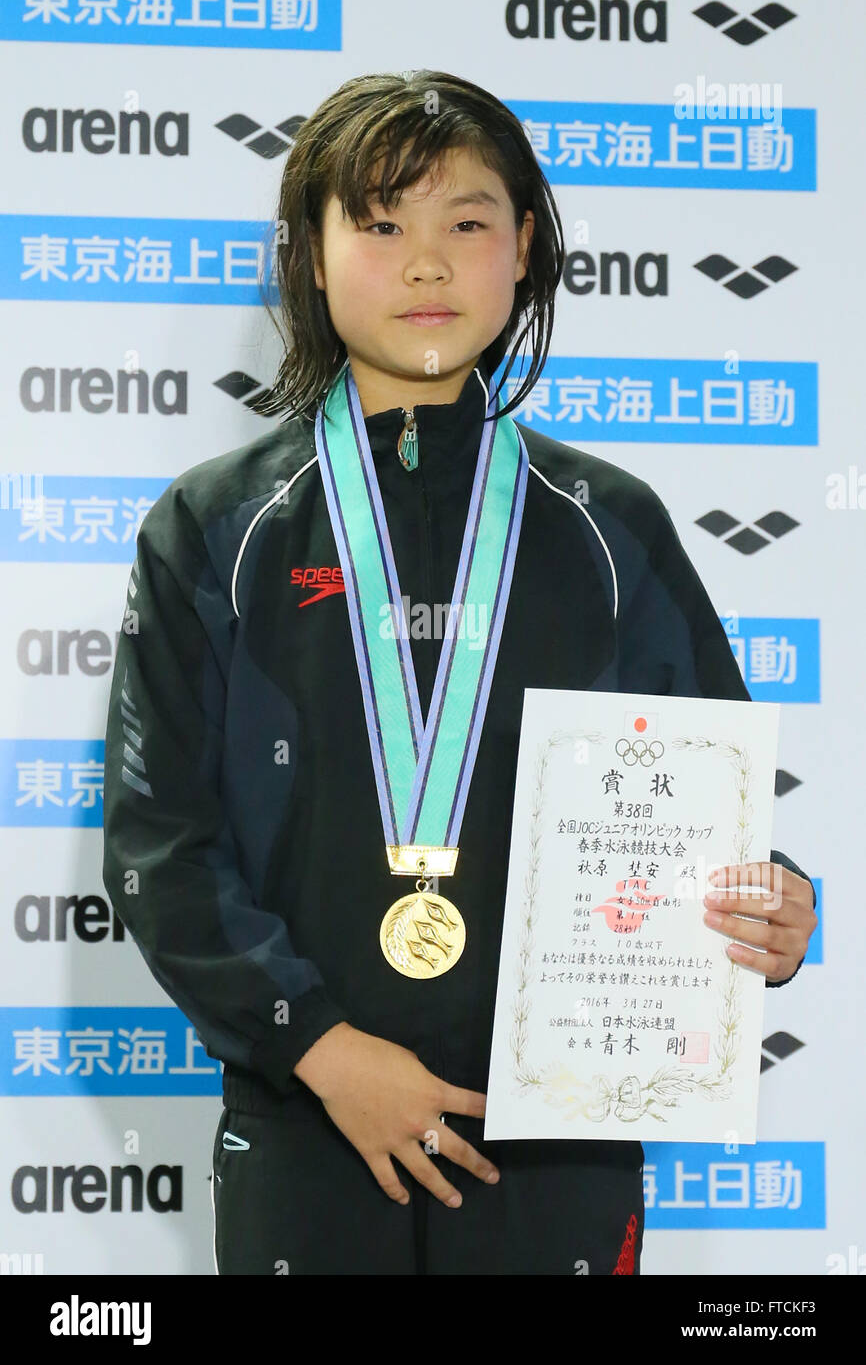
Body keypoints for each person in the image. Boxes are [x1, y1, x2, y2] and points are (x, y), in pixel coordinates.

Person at [101, 70, 817, 1276]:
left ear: (524, 247)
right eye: (379, 224)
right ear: (312, 254)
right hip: (308, 1124)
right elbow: (159, 843)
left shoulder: (608, 525)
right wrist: (325, 1050)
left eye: (466, 223)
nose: (425, 264)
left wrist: (770, 902)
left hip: (557, 1143)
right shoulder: (216, 528)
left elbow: (706, 800)